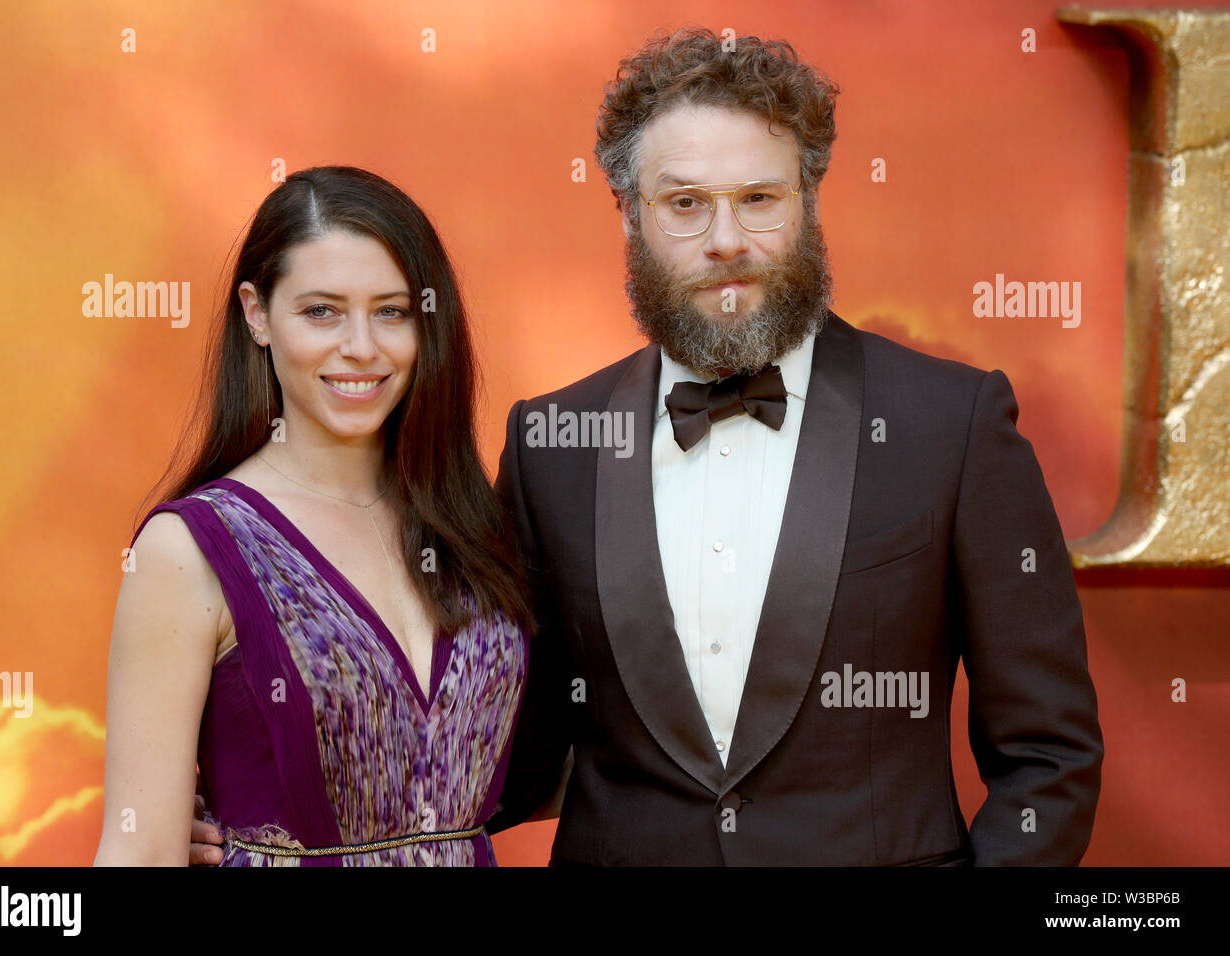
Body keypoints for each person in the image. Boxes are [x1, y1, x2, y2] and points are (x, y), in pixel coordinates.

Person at [482, 28, 1104, 865]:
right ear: (629, 215)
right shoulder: (549, 445)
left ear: (810, 198)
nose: (727, 239)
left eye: (760, 199)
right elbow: (501, 753)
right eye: (686, 203)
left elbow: (1049, 757)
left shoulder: (953, 425)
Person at [95, 166, 533, 866]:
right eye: (321, 311)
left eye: (391, 312)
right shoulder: (189, 550)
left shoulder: (477, 522)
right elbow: (139, 851)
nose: (361, 347)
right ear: (257, 314)